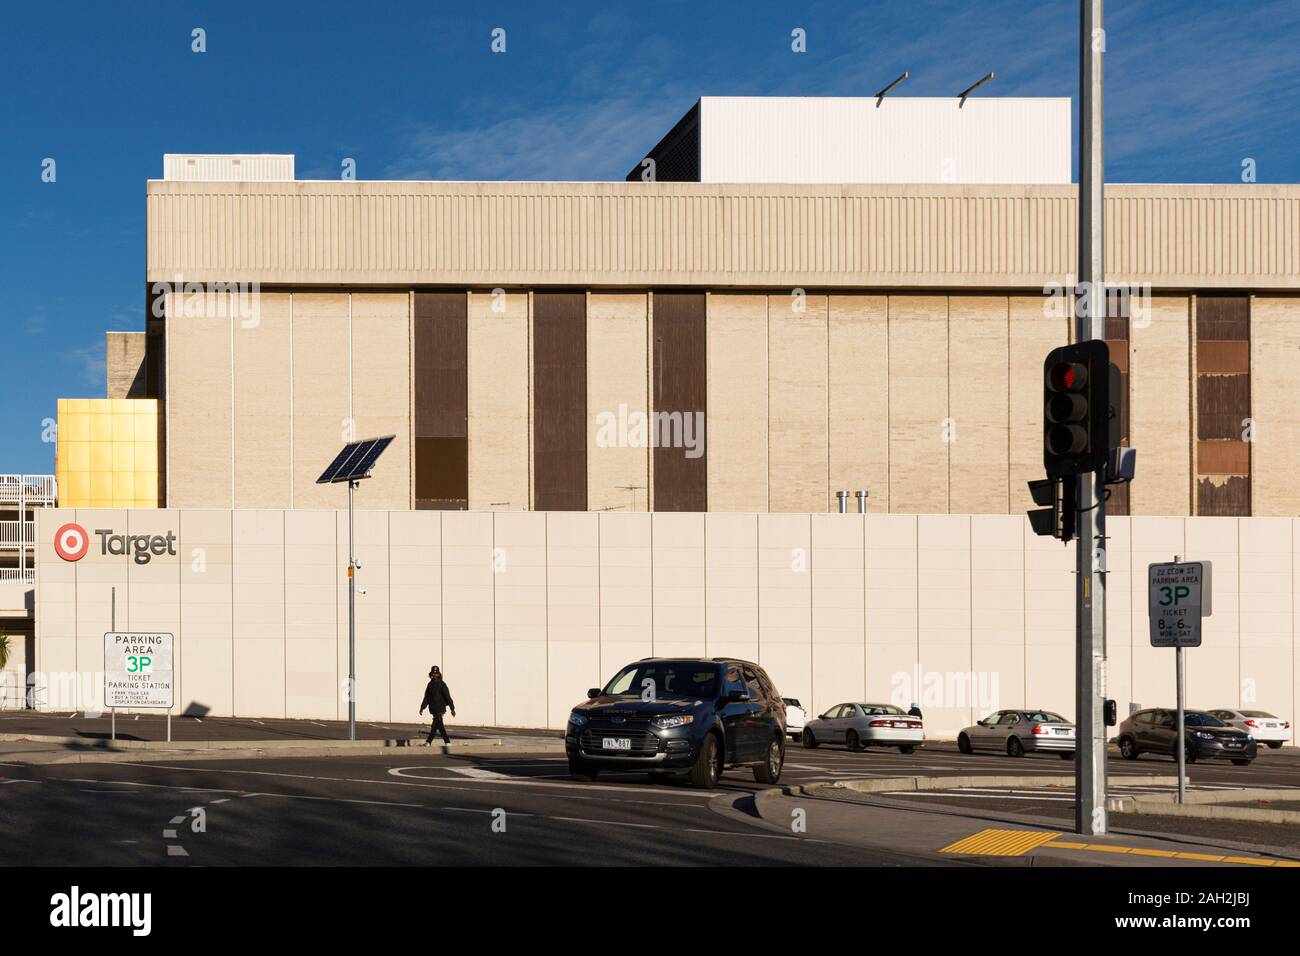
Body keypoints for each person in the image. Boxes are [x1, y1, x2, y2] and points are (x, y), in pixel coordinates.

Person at [419, 666, 456, 745]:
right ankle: (447, 742)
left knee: (436, 724)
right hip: (432, 708)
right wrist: (422, 707)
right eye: (433, 673)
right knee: (439, 725)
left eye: (436, 673)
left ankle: (429, 742)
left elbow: (448, 697)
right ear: (431, 674)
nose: (435, 675)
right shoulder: (430, 685)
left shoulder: (442, 684)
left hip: (440, 708)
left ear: (439, 674)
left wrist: (452, 708)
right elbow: (426, 697)